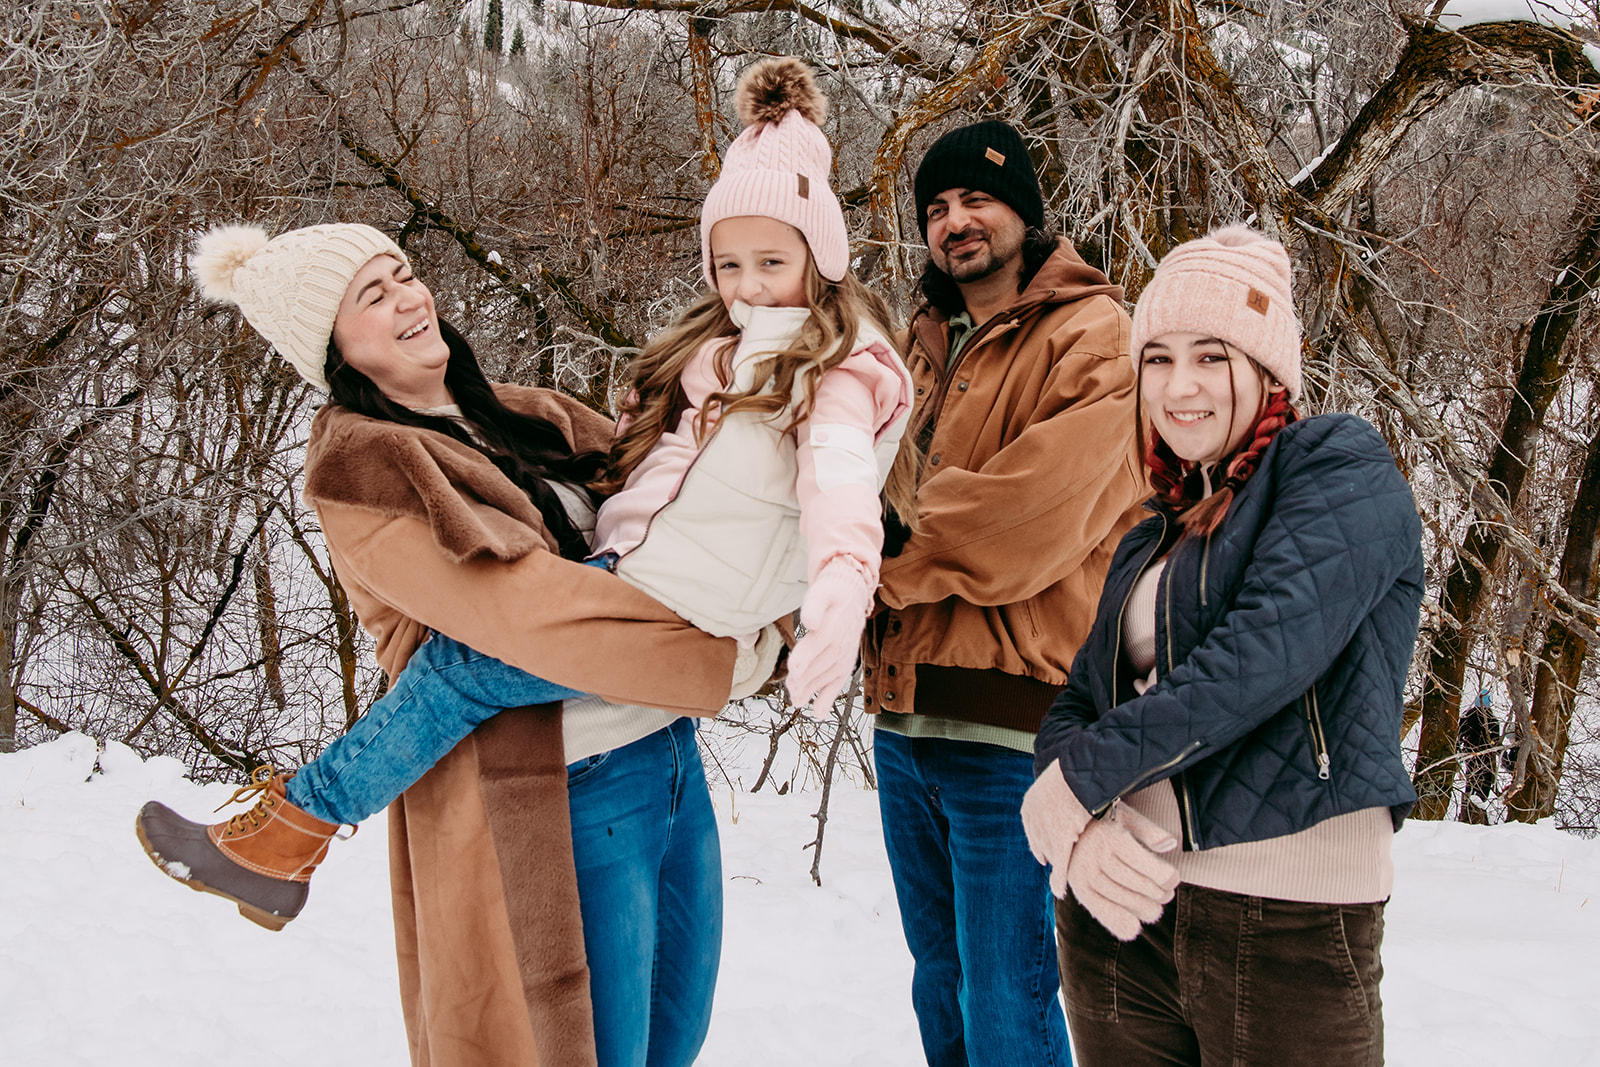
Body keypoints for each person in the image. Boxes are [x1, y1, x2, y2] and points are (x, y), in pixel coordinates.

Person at [137, 54, 911, 1067]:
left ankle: (291, 828)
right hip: (564, 782)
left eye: (403, 270)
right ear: (335, 350)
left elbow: (671, 496)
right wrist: (736, 655)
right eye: (372, 296)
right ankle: (291, 827)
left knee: (671, 1038)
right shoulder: (363, 464)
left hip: (662, 756)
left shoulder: (517, 411)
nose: (410, 298)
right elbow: (525, 614)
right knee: (597, 1047)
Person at [1024, 226, 1424, 1066]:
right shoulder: (1149, 538)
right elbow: (1078, 702)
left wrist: (1078, 780)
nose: (1180, 386)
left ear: (1267, 370)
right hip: (1122, 918)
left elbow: (1259, 657)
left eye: (1211, 356)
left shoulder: (1337, 467)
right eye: (1159, 360)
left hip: (1286, 923)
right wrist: (1074, 824)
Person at [861, 119, 1148, 1066]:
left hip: (1016, 732)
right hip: (905, 724)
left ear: (1023, 209)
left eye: (976, 199)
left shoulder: (1098, 336)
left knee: (1007, 998)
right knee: (938, 987)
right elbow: (847, 478)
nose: (956, 222)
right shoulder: (916, 346)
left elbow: (1027, 521)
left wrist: (869, 546)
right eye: (936, 209)